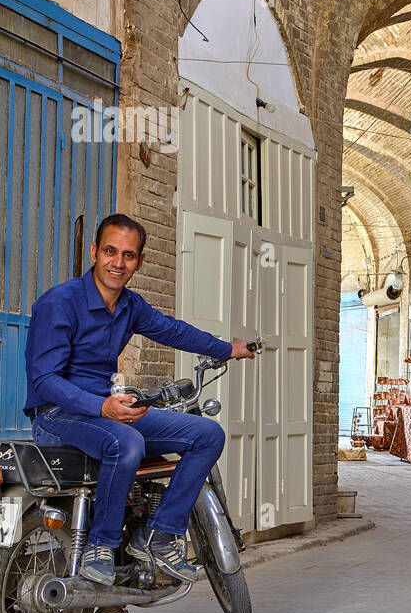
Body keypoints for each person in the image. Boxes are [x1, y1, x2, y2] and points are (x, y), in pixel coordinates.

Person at [23, 213, 255, 586]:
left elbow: (173, 331)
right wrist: (101, 407)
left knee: (207, 435)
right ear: (95, 252)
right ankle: (101, 545)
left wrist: (226, 348)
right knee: (127, 441)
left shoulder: (130, 306)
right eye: (111, 252)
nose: (118, 263)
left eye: (128, 256)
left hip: (107, 412)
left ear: (139, 261)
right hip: (58, 415)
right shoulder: (60, 303)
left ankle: (159, 535)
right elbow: (44, 380)